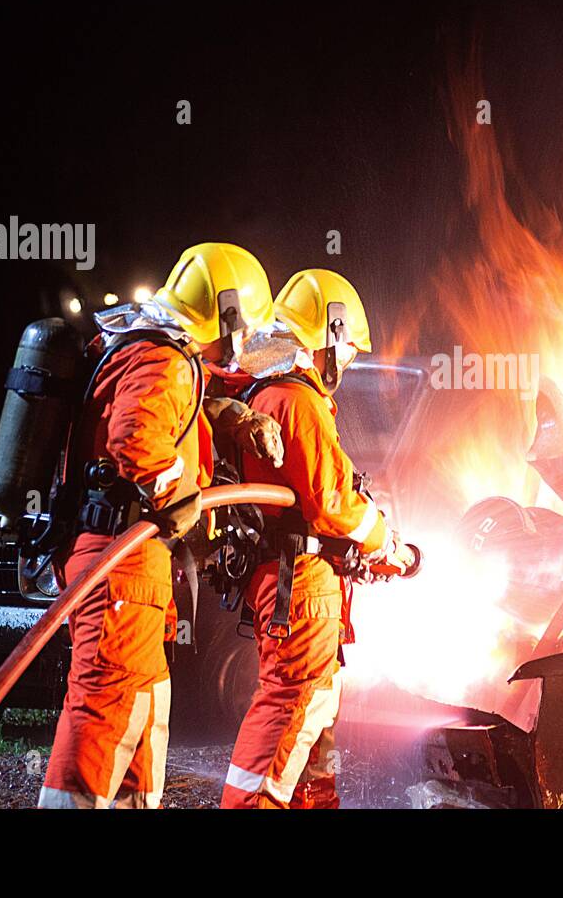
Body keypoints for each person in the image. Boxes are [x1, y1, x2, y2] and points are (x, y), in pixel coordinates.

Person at [39, 242, 281, 808]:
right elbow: (135, 440)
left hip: (131, 562)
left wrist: (237, 417)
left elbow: (192, 402)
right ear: (227, 315)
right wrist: (180, 492)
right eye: (244, 325)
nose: (244, 341)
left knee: (142, 713)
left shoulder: (155, 351)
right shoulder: (164, 360)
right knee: (103, 709)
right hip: (120, 560)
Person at [221, 269, 416, 809]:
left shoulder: (266, 390)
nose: (350, 359)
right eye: (349, 346)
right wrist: (385, 544)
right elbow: (331, 503)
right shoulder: (294, 399)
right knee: (292, 707)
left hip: (293, 579)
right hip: (299, 586)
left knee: (313, 715)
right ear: (329, 333)